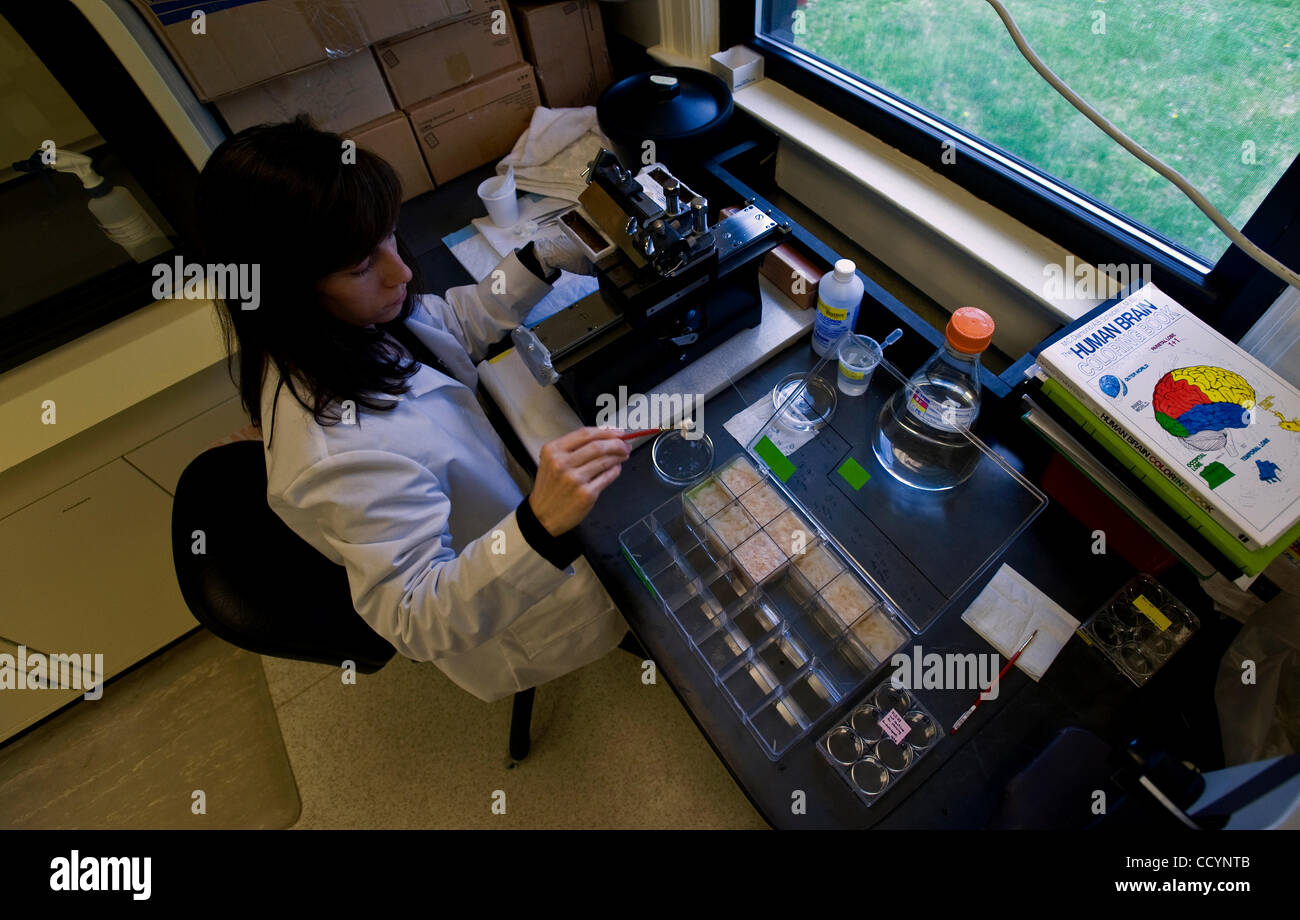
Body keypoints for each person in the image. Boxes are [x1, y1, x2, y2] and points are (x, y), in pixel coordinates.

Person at [197, 116, 633, 702]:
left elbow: (448, 328)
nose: (400, 270)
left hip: (508, 496)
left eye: (389, 236)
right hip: (517, 603)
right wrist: (539, 526)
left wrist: (540, 259)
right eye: (360, 266)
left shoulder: (346, 322)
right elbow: (417, 619)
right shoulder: (337, 453)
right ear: (288, 292)